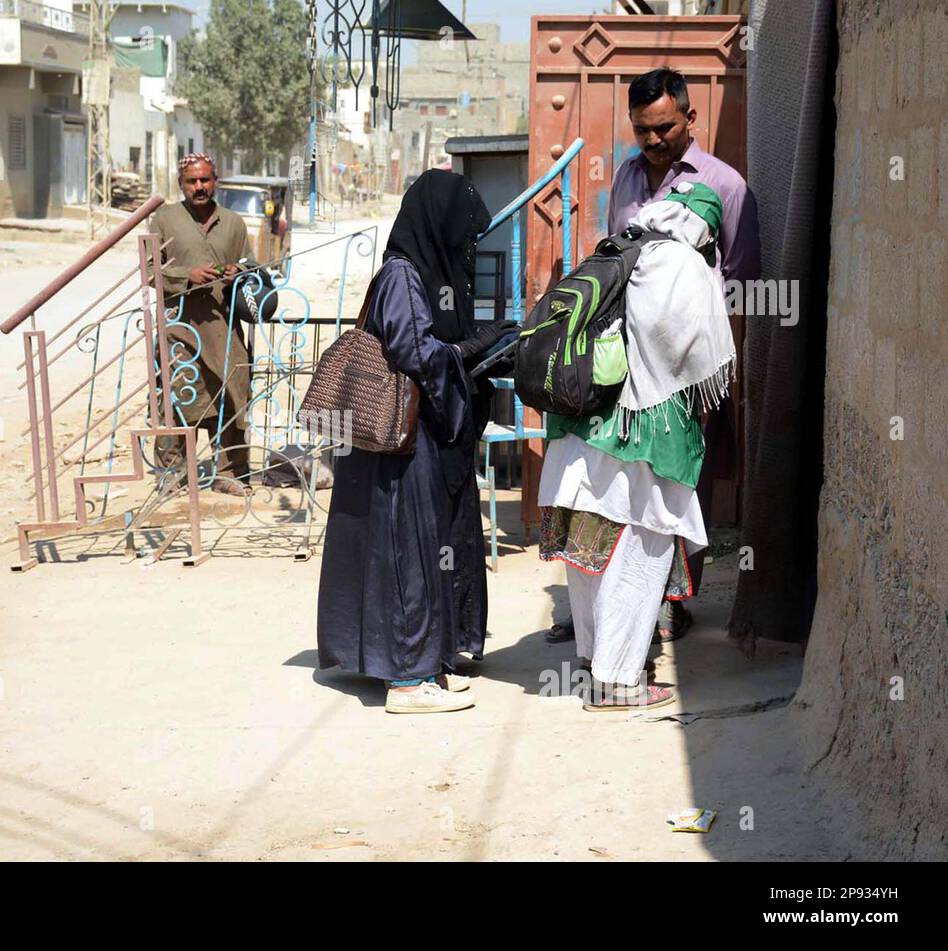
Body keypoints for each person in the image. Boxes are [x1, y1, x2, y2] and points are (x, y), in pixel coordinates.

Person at [549, 66, 762, 647]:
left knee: (679, 480)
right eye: (641, 129)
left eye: (663, 127)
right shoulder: (624, 177)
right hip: (626, 366)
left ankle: (671, 606)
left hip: (688, 369)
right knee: (629, 482)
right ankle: (625, 604)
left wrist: (718, 369)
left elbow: (741, 283)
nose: (652, 141)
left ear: (690, 117)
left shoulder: (726, 186)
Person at [316, 170, 510, 714]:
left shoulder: (427, 274)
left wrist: (481, 353)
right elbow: (418, 353)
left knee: (429, 548)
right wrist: (475, 349)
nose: (467, 244)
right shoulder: (402, 275)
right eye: (462, 232)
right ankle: (407, 681)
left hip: (420, 435)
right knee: (407, 552)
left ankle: (432, 658)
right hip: (401, 445)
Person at [538, 183, 734, 711]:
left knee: (588, 553)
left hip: (579, 425)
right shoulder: (682, 264)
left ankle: (593, 661)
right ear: (702, 227)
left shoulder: (619, 248)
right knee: (639, 555)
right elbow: (698, 356)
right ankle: (618, 683)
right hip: (642, 436)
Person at [149, 153, 253, 495]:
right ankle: (172, 474)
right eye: (192, 181)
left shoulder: (234, 224)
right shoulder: (164, 219)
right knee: (179, 397)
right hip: (180, 327)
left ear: (215, 181)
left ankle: (229, 472)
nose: (199, 187)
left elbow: (250, 266)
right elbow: (149, 271)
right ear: (181, 184)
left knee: (231, 393)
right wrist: (186, 276)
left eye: (205, 180)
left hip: (224, 328)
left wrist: (239, 273)